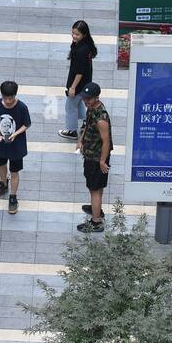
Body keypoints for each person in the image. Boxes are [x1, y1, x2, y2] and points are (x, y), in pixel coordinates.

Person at [0, 80, 31, 216]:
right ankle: (3, 184)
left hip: (16, 145)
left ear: (15, 95)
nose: (8, 100)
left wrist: (15, 134)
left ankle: (13, 196)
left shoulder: (22, 107)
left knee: (14, 171)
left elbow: (27, 124)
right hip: (1, 142)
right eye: (5, 97)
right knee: (1, 164)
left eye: (10, 97)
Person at [76, 81, 112, 233]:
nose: (85, 101)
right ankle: (96, 208)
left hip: (96, 158)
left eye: (88, 99)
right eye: (84, 98)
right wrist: (80, 140)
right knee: (97, 187)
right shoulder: (92, 108)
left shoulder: (101, 118)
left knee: (94, 190)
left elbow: (106, 142)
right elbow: (86, 124)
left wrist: (102, 161)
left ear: (96, 98)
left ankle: (96, 222)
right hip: (91, 155)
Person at [60, 20, 98, 139]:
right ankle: (85, 121)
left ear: (84, 35)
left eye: (77, 34)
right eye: (73, 33)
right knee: (79, 102)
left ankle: (71, 131)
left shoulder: (82, 50)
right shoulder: (86, 46)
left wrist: (72, 87)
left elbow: (79, 72)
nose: (74, 36)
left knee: (70, 106)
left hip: (78, 83)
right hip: (85, 82)